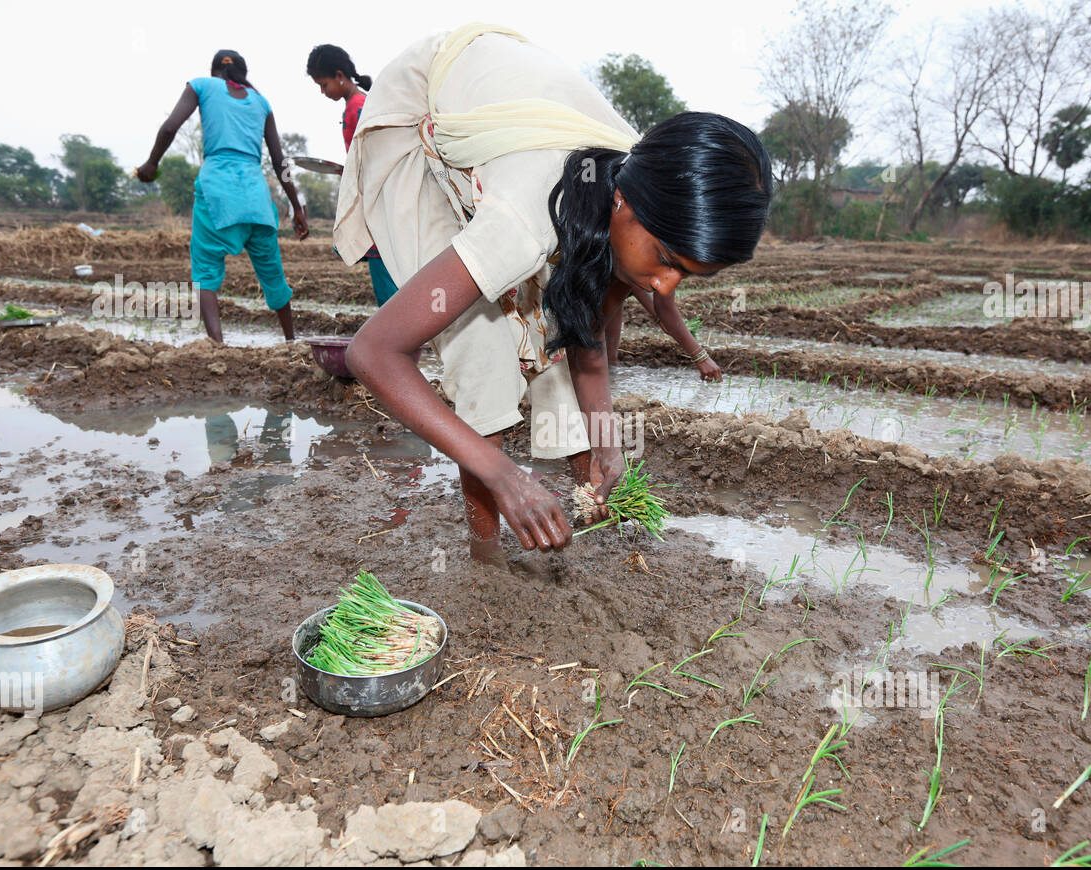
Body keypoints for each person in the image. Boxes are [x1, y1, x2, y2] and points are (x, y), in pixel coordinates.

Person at [335, 24, 770, 564]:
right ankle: (486, 556)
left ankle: (575, 506)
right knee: (483, 353)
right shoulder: (524, 217)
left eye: (688, 277)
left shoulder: (628, 179)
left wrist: (607, 443)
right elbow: (372, 353)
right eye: (666, 261)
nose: (663, 288)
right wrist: (505, 474)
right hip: (421, 120)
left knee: (556, 350)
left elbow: (585, 339)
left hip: (509, 123)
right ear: (623, 204)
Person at [137, 50, 309, 343]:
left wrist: (151, 163)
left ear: (216, 70)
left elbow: (169, 127)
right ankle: (291, 342)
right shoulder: (261, 102)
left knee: (206, 268)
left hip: (217, 192)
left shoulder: (201, 86)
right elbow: (280, 161)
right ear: (243, 73)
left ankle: (218, 346)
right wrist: (297, 208)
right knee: (272, 275)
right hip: (256, 199)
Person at [307, 44, 399, 307]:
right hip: (380, 195)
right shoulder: (361, 103)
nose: (323, 92)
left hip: (376, 198)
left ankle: (398, 338)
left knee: (386, 283)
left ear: (339, 75)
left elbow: (373, 156)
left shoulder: (357, 108)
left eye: (324, 85)